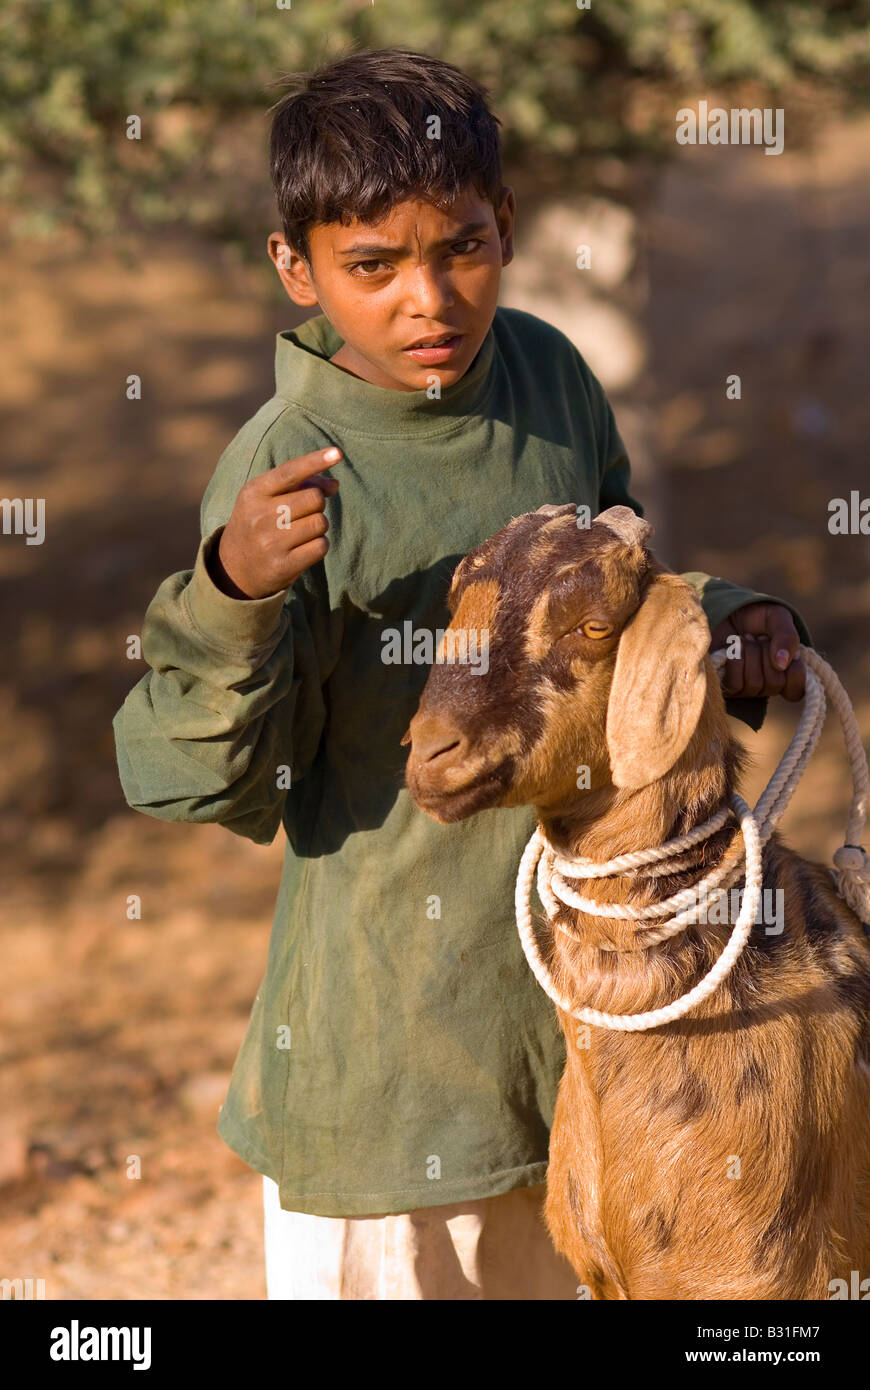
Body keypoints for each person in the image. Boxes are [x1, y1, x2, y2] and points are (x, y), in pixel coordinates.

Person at [113, 47, 809, 1300]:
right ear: (298, 266)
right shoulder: (284, 474)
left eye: (463, 249)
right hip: (387, 1055)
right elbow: (201, 786)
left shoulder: (549, 379)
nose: (428, 298)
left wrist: (728, 615)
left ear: (509, 229)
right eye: (372, 267)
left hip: (593, 1025)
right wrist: (230, 589)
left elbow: (615, 587)